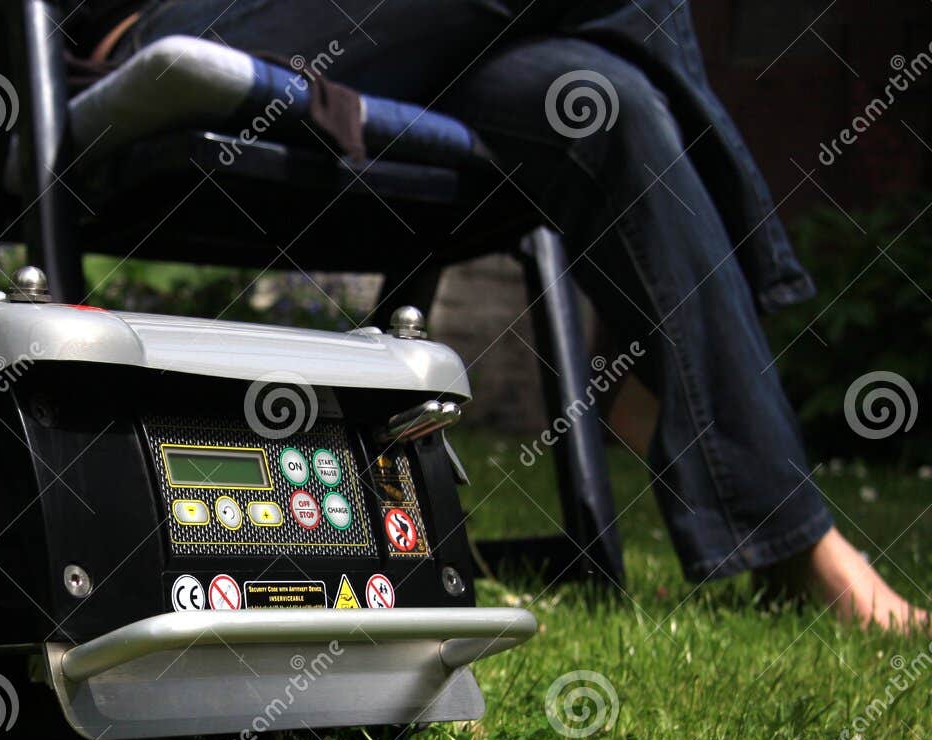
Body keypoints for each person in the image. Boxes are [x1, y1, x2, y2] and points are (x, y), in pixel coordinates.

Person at [75, 0, 926, 632]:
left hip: (412, 45)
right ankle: (766, 448)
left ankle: (779, 539)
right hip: (195, 28)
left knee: (608, 98)